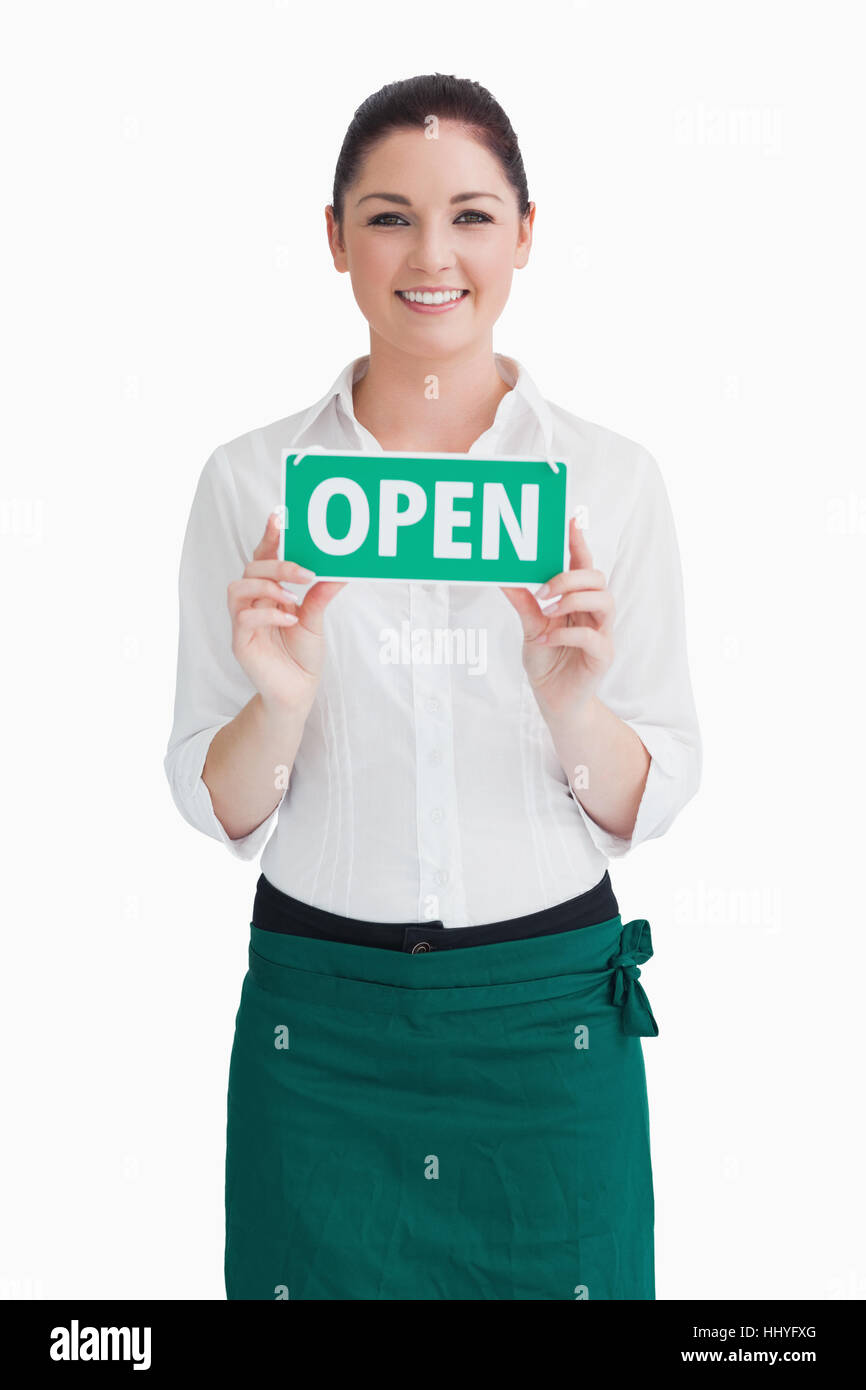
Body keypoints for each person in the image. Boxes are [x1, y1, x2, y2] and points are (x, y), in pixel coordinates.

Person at [164, 72, 702, 1301]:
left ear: (523, 232)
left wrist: (570, 701)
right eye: (389, 214)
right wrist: (280, 699)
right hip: (320, 1023)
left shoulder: (610, 482)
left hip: (547, 1022)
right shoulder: (251, 483)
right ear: (335, 237)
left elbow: (651, 788)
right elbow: (224, 802)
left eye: (468, 214)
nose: (431, 254)